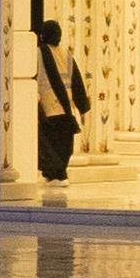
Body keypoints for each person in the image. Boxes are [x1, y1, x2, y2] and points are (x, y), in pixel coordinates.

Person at [33, 14, 90, 183]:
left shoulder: (37, 53)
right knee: (63, 145)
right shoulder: (66, 54)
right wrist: (82, 105)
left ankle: (55, 174)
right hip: (65, 108)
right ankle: (57, 174)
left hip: (49, 108)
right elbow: (77, 81)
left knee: (51, 145)